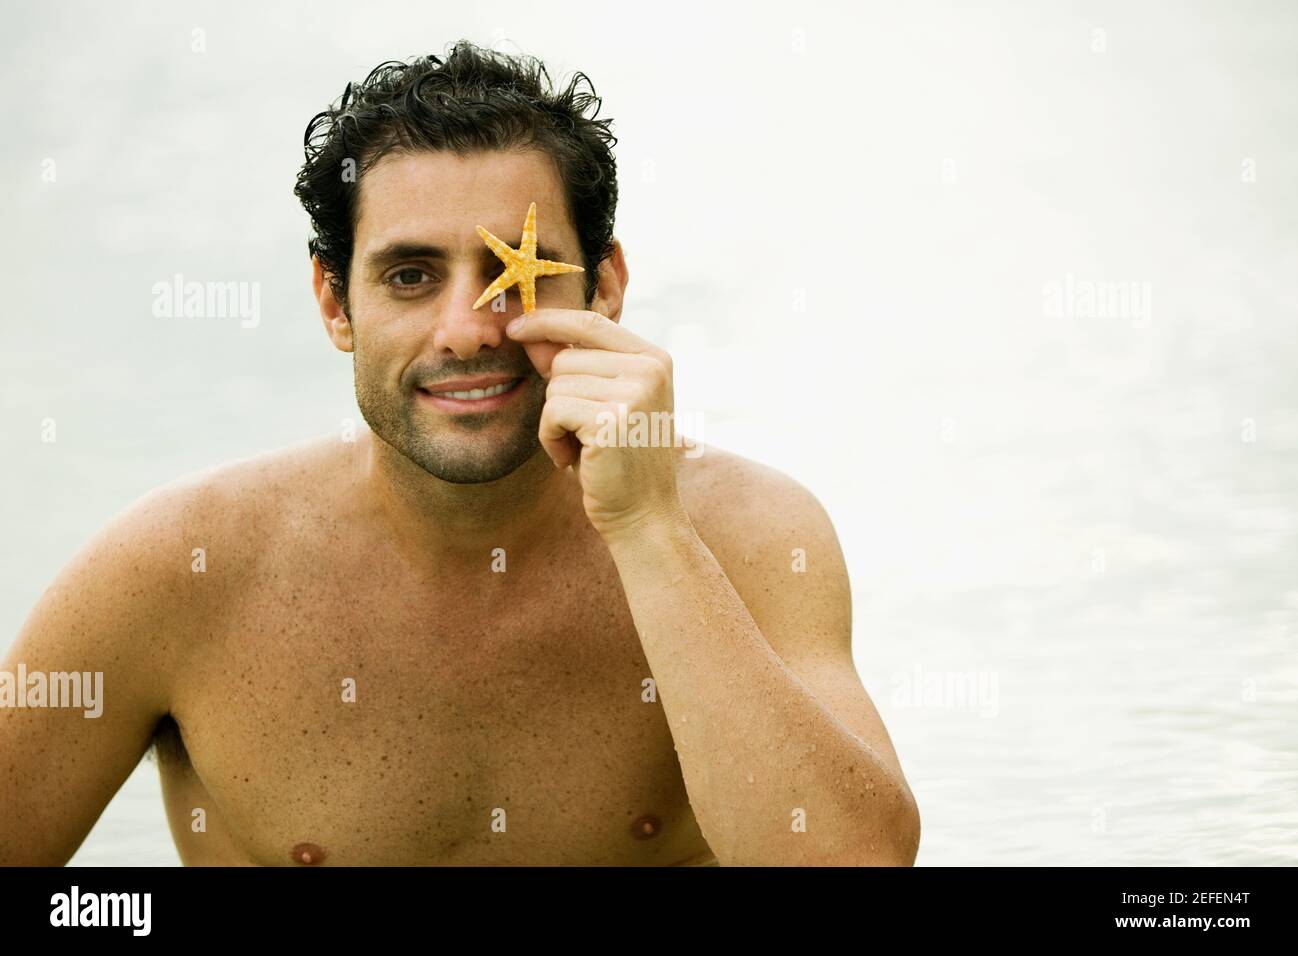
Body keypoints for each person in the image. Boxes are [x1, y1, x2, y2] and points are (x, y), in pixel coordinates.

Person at [0, 41, 919, 866]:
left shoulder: (750, 536)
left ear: (604, 288)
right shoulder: (175, 570)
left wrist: (648, 528)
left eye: (511, 270)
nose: (468, 330)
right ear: (334, 302)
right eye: (410, 276)